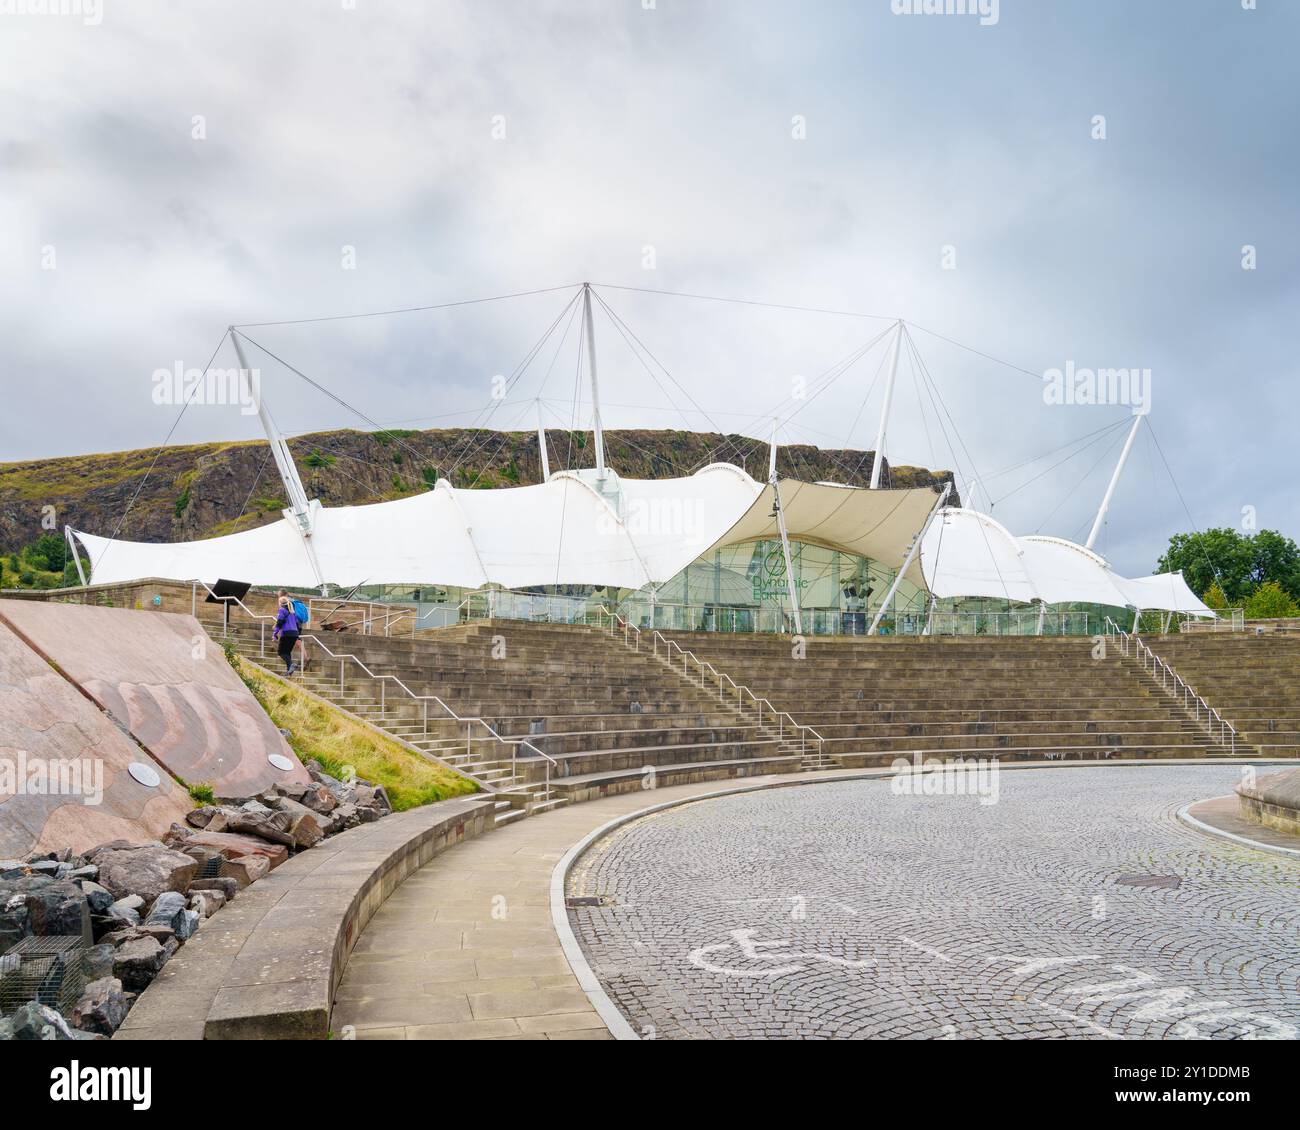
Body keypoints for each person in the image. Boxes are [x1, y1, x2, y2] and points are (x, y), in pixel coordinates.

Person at [273, 595, 300, 674]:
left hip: (286, 634)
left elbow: (279, 622)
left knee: (281, 652)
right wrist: (297, 636)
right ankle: (289, 671)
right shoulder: (292, 612)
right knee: (287, 652)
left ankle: (291, 664)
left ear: (280, 603)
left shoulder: (282, 610)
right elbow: (297, 624)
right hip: (294, 634)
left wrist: (275, 634)